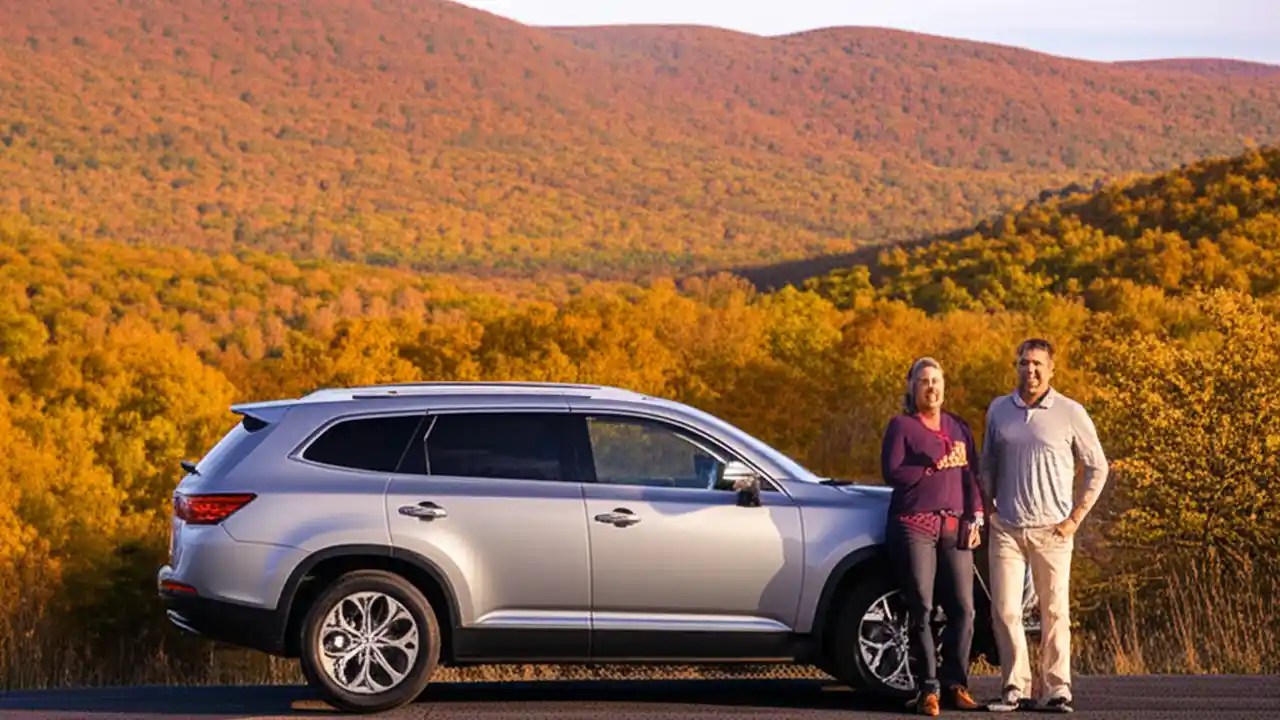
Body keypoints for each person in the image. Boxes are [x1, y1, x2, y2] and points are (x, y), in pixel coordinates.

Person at [981, 338, 1109, 714]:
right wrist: (988, 506)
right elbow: (988, 461)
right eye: (1024, 362)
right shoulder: (999, 410)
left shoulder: (1070, 412)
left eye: (1038, 363)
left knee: (1054, 613)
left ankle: (1056, 689)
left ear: (1052, 369)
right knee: (1005, 611)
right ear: (1016, 366)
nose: (1031, 370)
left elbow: (1097, 466)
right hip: (1007, 527)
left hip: (1053, 530)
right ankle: (1015, 687)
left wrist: (1075, 519)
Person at [880, 357, 984, 716]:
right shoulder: (901, 426)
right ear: (912, 387)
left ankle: (956, 683)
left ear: (944, 386)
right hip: (914, 524)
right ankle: (927, 688)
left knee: (964, 608)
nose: (931, 387)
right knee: (921, 607)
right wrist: (933, 465)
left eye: (936, 381)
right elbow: (892, 472)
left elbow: (971, 475)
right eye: (924, 381)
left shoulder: (958, 427)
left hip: (954, 525)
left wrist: (976, 516)